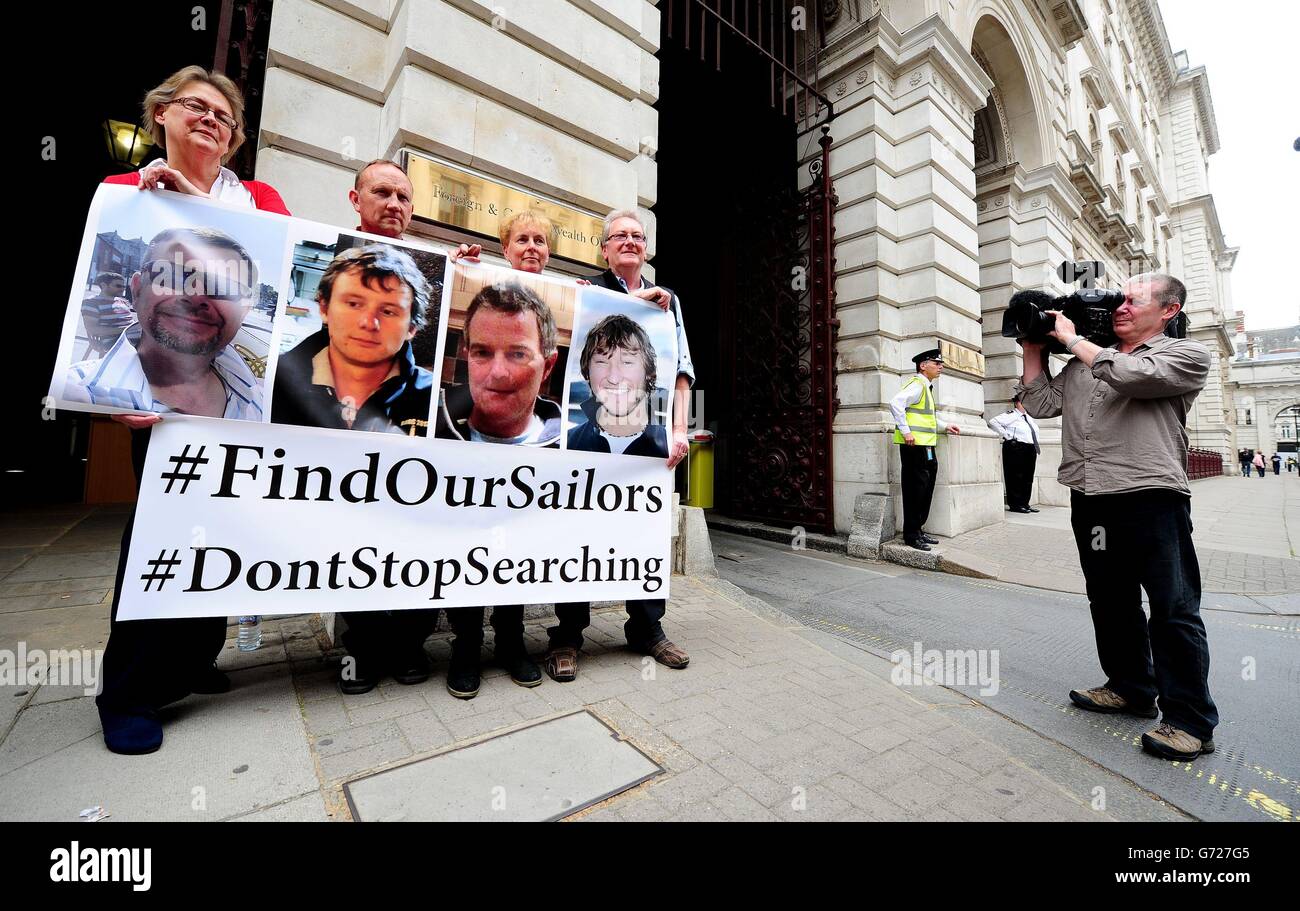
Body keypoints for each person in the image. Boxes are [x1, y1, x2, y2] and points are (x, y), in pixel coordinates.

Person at [91, 65, 291, 756]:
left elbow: (279, 272)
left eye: (224, 115)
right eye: (194, 107)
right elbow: (100, 299)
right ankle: (127, 692)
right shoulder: (125, 194)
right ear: (161, 116)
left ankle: (190, 659)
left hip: (235, 403)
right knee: (161, 537)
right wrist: (111, 391)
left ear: (235, 138)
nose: (210, 119)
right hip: (161, 407)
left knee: (223, 535)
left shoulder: (259, 197)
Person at [1017, 272, 1218, 762]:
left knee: (1173, 610)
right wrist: (1031, 345)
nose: (1119, 307)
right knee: (1109, 600)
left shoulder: (1183, 355)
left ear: (1168, 310)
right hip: (1093, 498)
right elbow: (1041, 403)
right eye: (1118, 299)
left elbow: (1132, 377)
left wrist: (1072, 339)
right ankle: (1130, 689)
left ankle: (1190, 722)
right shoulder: (1086, 363)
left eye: (1132, 300)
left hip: (1151, 496)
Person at [545, 210, 694, 684]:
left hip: (648, 445)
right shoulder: (583, 292)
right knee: (577, 535)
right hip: (584, 453)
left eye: (637, 235)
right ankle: (568, 634)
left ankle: (647, 628)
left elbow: (682, 372)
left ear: (646, 247)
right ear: (604, 249)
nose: (629, 242)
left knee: (644, 534)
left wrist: (679, 429)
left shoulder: (668, 302)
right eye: (619, 236)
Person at [433, 282, 563, 696]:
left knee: (517, 555)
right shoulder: (432, 429)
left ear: (548, 366)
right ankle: (466, 647)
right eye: (483, 352)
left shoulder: (569, 444)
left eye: (518, 353)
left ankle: (512, 643)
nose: (499, 372)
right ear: (466, 355)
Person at [65, 227, 263, 419]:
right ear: (137, 290)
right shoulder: (69, 391)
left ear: (244, 311)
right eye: (171, 275)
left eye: (224, 287)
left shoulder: (264, 402)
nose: (195, 296)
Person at [889, 348, 962, 550]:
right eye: (936, 363)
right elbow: (895, 403)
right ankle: (911, 536)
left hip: (926, 446)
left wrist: (945, 425)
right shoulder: (917, 384)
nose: (941, 367)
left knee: (924, 489)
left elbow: (927, 417)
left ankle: (918, 529)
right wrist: (906, 432)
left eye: (941, 363)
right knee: (915, 490)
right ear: (923, 365)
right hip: (914, 447)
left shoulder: (926, 387)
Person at [567, 314, 668, 458]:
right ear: (587, 372)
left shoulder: (671, 447)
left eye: (627, 362)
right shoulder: (569, 442)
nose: (614, 378)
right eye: (602, 362)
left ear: (649, 372)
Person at [987, 394, 1041, 513]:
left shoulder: (1028, 417)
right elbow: (993, 422)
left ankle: (1025, 503)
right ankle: (1016, 504)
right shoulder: (1012, 415)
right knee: (1015, 476)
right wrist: (1008, 435)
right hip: (1017, 447)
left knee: (1028, 477)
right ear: (1017, 403)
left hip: (1030, 448)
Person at [350, 159, 415, 238]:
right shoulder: (333, 247)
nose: (394, 205)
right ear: (356, 200)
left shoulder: (423, 250)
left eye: (403, 197)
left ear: (410, 212)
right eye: (382, 192)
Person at [80, 272, 135, 357]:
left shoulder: (122, 301)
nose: (122, 289)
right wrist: (126, 330)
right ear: (104, 285)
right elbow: (93, 329)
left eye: (123, 286)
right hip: (115, 342)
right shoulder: (92, 302)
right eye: (118, 286)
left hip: (132, 338)